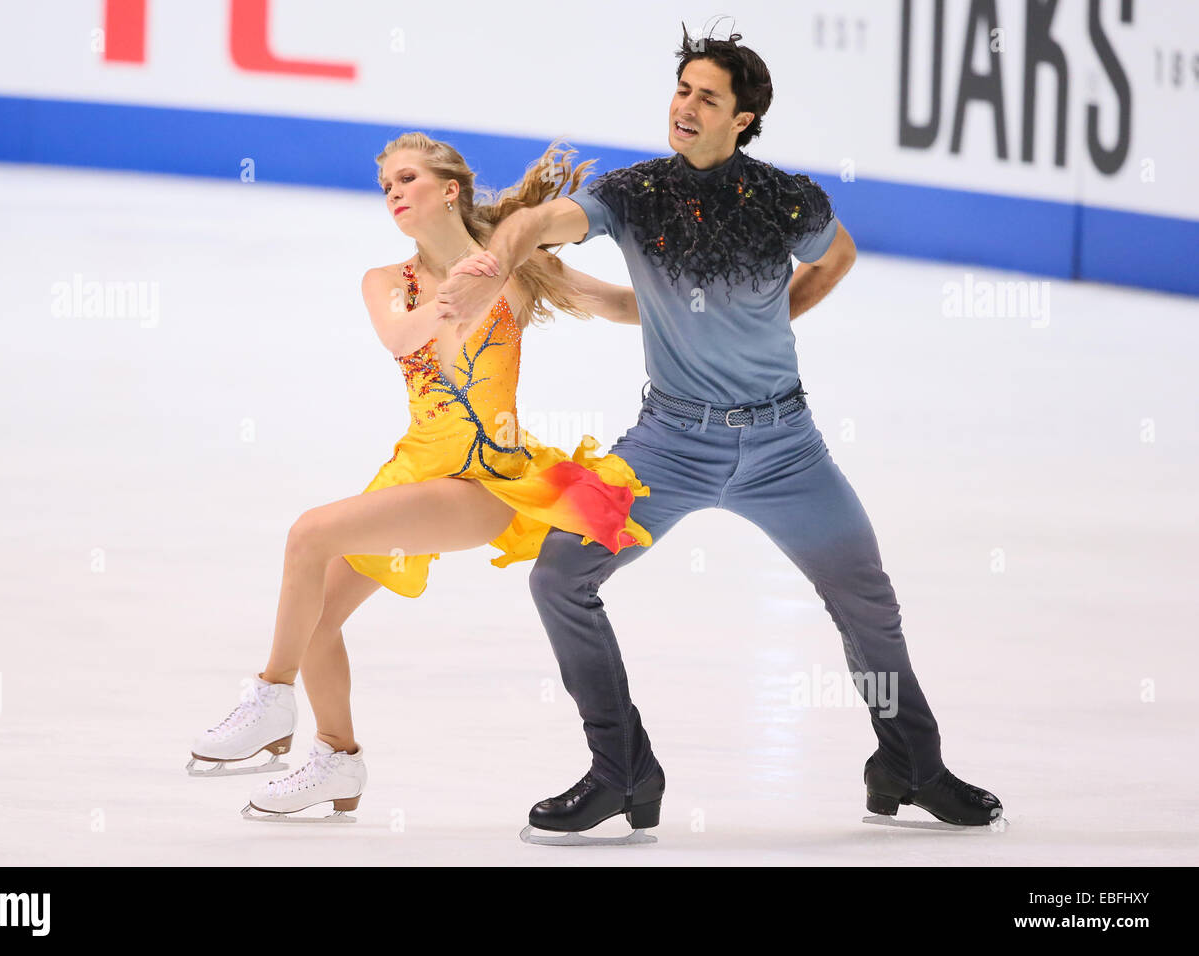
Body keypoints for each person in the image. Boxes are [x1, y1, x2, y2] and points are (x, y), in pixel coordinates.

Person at [437, 26, 1004, 842]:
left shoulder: (784, 199)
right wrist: (499, 256)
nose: (686, 106)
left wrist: (791, 309)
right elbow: (541, 223)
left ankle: (910, 764)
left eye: (708, 96)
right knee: (560, 576)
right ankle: (622, 771)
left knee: (867, 605)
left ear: (743, 118)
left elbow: (837, 255)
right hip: (667, 446)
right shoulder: (635, 193)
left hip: (787, 450)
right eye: (681, 89)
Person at [185, 133, 653, 822]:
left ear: (450, 190)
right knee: (317, 614)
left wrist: (715, 306)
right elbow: (399, 339)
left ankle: (270, 695)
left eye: (407, 179)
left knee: (308, 534)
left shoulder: (519, 269)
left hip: (486, 481)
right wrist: (452, 297)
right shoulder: (386, 282)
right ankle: (336, 760)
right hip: (415, 469)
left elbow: (616, 304)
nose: (395, 194)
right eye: (385, 187)